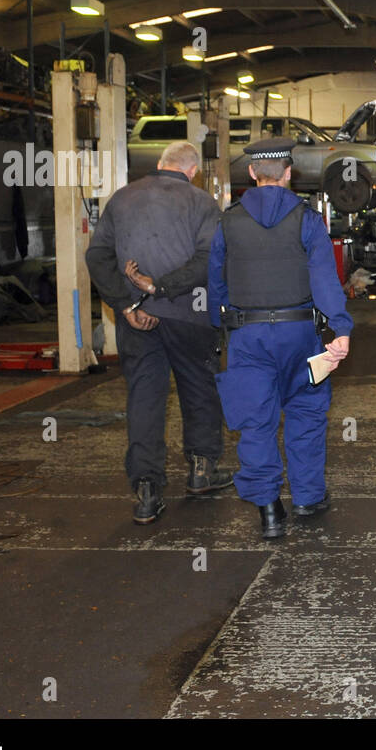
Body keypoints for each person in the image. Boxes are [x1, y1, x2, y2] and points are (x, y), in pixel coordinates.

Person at [207, 138, 354, 539]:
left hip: (247, 335)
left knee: (256, 421)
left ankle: (269, 510)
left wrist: (218, 325)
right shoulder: (307, 219)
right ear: (289, 173)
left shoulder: (228, 221)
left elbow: (215, 280)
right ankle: (307, 497)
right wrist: (340, 328)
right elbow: (325, 279)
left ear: (252, 173)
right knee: (306, 412)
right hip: (300, 334)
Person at [85, 140, 234, 526]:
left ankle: (147, 491)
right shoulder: (202, 203)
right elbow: (208, 260)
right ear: (192, 171)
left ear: (160, 164)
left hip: (138, 320)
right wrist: (163, 287)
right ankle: (202, 471)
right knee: (199, 390)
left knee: (145, 400)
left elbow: (97, 257)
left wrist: (126, 305)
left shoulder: (121, 199)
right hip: (191, 317)